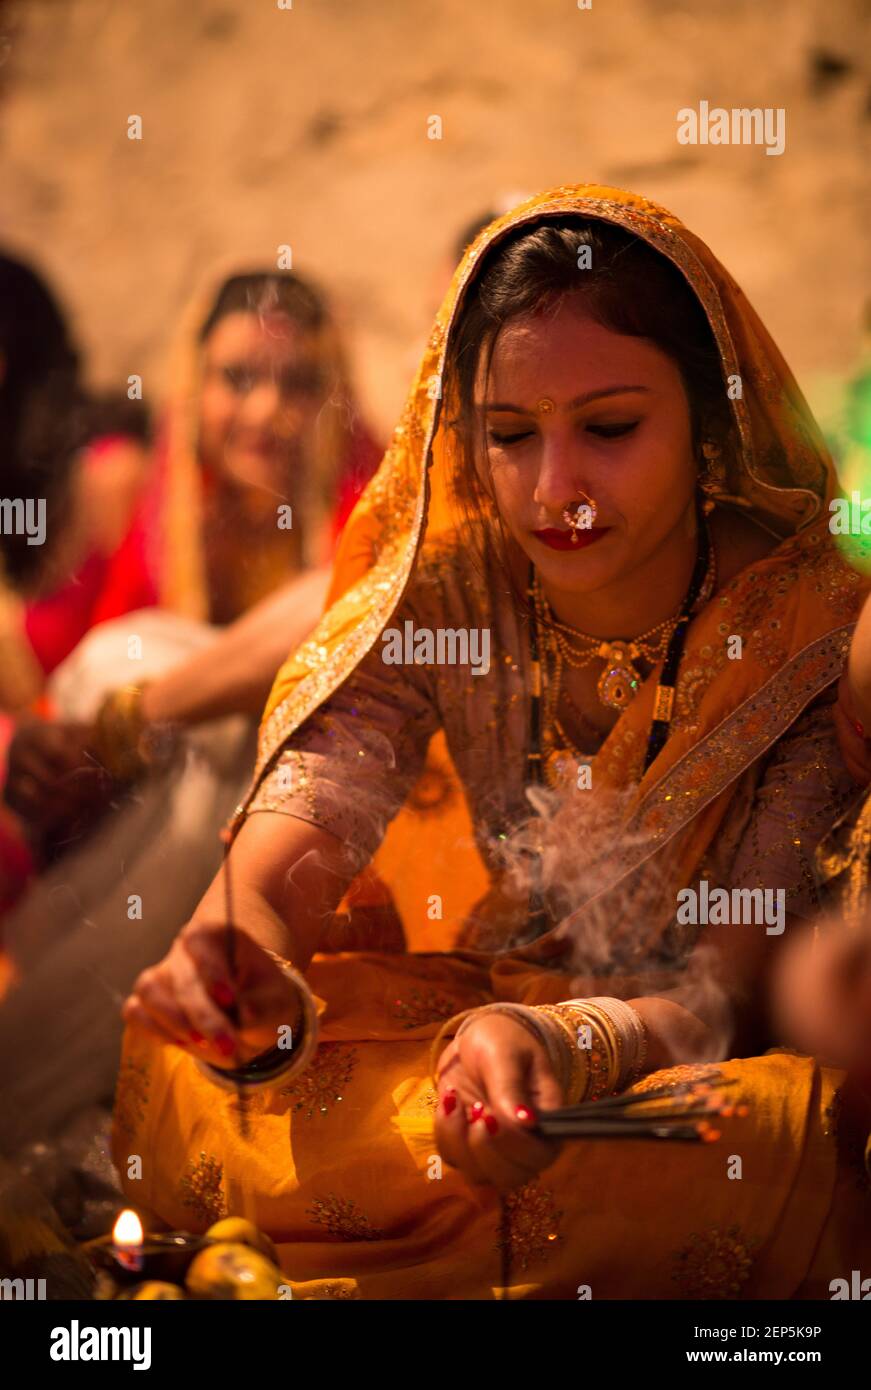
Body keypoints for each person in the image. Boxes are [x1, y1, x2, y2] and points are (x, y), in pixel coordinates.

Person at [116, 185, 870, 1299]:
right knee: (185, 1063)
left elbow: (727, 996)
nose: (555, 490)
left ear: (708, 422)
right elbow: (283, 861)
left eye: (609, 429)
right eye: (510, 436)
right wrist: (244, 988)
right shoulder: (447, 590)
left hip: (685, 1055)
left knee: (757, 1140)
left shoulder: (802, 626)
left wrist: (562, 1044)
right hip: (484, 1021)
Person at [0, 266, 382, 1149]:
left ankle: (39, 1095)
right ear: (193, 384)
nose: (265, 412)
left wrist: (139, 718)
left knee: (226, 724)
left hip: (290, 863)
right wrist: (46, 750)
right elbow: (60, 676)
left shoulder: (367, 508)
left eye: (298, 383)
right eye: (236, 378)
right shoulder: (140, 494)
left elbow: (347, 606)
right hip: (99, 840)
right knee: (125, 657)